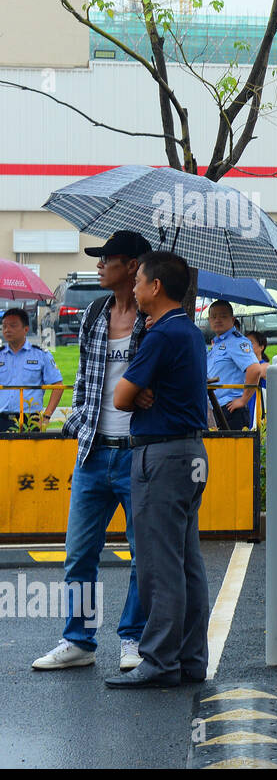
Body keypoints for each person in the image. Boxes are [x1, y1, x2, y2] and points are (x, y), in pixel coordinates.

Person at [31, 231, 151, 673]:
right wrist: (80, 423)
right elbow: (82, 379)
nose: (100, 266)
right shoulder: (95, 312)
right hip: (93, 453)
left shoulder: (154, 318)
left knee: (143, 555)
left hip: (138, 454)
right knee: (79, 553)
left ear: (134, 266)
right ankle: (78, 640)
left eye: (109, 259)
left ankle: (132, 639)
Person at [105, 251, 210, 688]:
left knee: (157, 564)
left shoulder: (163, 335)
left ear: (155, 287)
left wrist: (137, 388)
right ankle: (189, 658)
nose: (133, 288)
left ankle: (159, 661)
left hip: (161, 456)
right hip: (190, 454)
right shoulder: (185, 331)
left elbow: (120, 397)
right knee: (186, 562)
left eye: (139, 281)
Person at [0, 307, 63, 431]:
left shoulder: (41, 355)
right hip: (1, 419)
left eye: (13, 326)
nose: (7, 330)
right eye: (4, 326)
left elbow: (58, 386)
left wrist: (46, 416)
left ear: (26, 329)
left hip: (30, 420)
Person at [206, 300, 266, 430]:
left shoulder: (236, 342)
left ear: (232, 320)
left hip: (230, 412)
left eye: (223, 316)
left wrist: (243, 400)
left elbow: (255, 369)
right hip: (215, 409)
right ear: (209, 320)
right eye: (214, 317)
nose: (218, 320)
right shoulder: (217, 344)